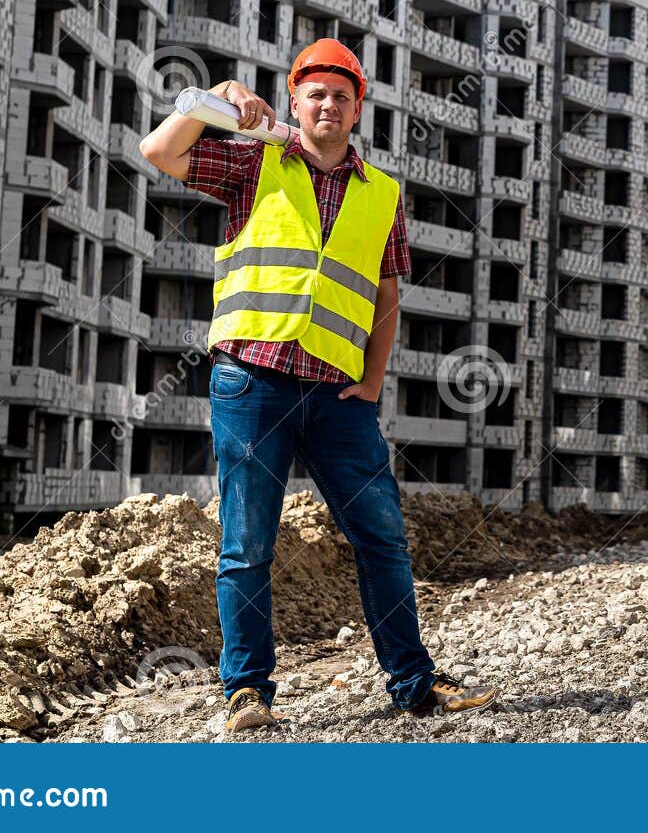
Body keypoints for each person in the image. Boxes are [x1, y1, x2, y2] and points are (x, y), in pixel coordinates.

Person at [139, 38, 497, 732]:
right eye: (315, 94)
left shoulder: (383, 193)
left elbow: (385, 293)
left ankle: (414, 684)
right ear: (295, 102)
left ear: (358, 107)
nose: (327, 104)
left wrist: (373, 380)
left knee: (383, 539)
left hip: (338, 394)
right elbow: (159, 150)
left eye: (341, 94)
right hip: (253, 383)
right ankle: (247, 692)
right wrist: (221, 96)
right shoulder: (254, 160)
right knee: (248, 543)